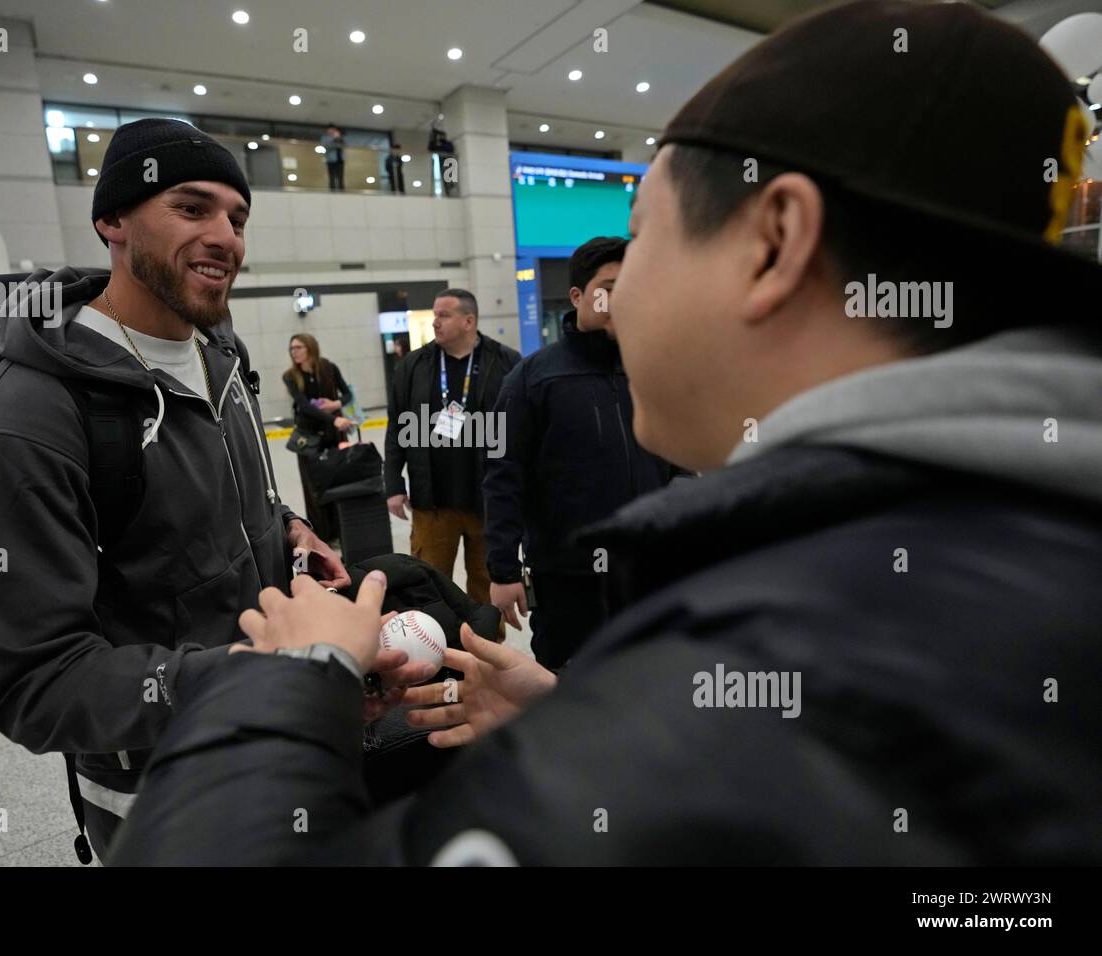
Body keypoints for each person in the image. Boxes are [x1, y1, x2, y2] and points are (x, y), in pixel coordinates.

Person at [110, 1, 1102, 865]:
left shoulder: (801, 631)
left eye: (645, 230)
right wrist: (599, 736)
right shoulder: (1003, 537)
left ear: (771, 243)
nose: (618, 300)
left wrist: (294, 682)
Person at [0, 118, 350, 861]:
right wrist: (245, 676)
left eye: (236, 217)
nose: (226, 235)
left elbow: (231, 501)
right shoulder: (26, 416)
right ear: (113, 222)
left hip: (275, 744)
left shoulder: (220, 354)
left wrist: (292, 530)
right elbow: (35, 684)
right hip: (161, 794)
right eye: (192, 209)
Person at [483, 236, 682, 669]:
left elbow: (679, 463)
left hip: (647, 570)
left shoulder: (652, 369)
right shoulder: (530, 379)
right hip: (567, 581)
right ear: (577, 296)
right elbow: (502, 475)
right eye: (609, 287)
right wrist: (502, 570)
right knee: (570, 694)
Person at [384, 288, 521, 608]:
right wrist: (393, 484)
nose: (435, 322)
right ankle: (439, 652)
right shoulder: (413, 366)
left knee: (487, 585)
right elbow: (396, 428)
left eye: (443, 315)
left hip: (489, 502)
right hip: (432, 502)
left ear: (468, 321)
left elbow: (522, 430)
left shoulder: (506, 362)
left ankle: (487, 653)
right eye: (434, 315)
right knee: (428, 584)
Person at [283, 333, 354, 543]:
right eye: (291, 348)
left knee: (336, 482)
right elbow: (304, 406)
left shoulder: (328, 368)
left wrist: (336, 405)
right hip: (308, 439)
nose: (294, 352)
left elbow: (348, 395)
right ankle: (322, 536)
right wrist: (333, 419)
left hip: (333, 437)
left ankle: (340, 532)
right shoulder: (290, 376)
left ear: (310, 348)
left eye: (298, 347)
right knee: (313, 489)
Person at [321, 124, 346, 191]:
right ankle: (332, 189)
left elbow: (343, 145)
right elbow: (326, 146)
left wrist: (338, 138)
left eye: (333, 129)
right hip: (330, 160)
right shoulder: (325, 138)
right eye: (330, 129)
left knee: (340, 176)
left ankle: (341, 189)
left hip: (340, 159)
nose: (332, 131)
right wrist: (335, 139)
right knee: (332, 176)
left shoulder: (339, 137)